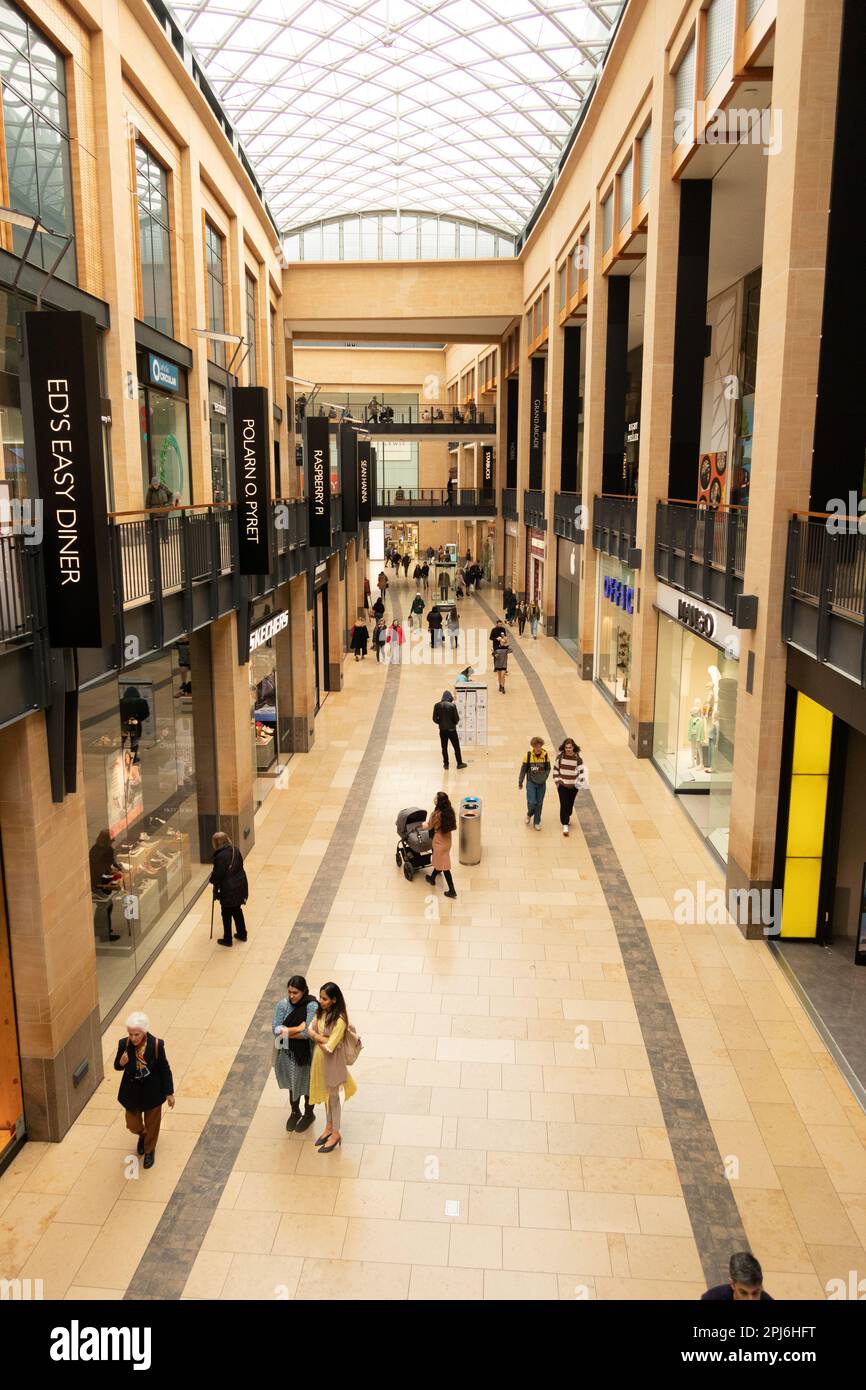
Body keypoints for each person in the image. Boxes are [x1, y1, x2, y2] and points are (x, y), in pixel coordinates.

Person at [114, 1011, 175, 1169]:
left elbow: (164, 1069)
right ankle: (142, 1134)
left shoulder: (156, 1045)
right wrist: (121, 1062)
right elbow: (117, 1066)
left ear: (144, 1032)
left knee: (153, 1123)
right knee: (132, 1123)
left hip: (152, 1092)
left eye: (136, 1034)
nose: (133, 1038)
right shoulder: (124, 1044)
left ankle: (149, 1150)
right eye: (131, 1034)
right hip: (132, 1092)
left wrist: (169, 1092)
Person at [307, 982, 357, 1152]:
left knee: (334, 1098)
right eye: (320, 997)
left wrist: (316, 1037)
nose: (320, 1001)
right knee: (328, 1096)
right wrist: (321, 1037)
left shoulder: (340, 1019)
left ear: (334, 1000)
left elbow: (330, 1047)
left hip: (333, 1062)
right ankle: (329, 1127)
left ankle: (336, 1133)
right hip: (320, 1061)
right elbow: (310, 1028)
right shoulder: (321, 1012)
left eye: (325, 998)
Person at [273, 975, 318, 1133]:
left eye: (296, 992)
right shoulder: (283, 1005)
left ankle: (309, 1114)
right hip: (287, 1052)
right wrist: (297, 1029)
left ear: (304, 991)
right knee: (293, 1082)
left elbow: (307, 1033)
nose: (292, 996)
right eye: (290, 992)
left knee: (307, 1084)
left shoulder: (311, 1005)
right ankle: (295, 1111)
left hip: (306, 1055)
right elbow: (275, 1030)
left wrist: (286, 1032)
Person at [210, 831, 249, 946]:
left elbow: (217, 875)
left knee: (226, 913)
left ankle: (227, 939)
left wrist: (212, 880)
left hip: (228, 889)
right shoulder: (235, 850)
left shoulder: (220, 857)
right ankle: (242, 933)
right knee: (237, 910)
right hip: (240, 884)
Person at [90, 829, 122, 942]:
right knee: (104, 906)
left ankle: (100, 930)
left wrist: (117, 868)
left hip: (100, 882)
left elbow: (111, 862)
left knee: (106, 906)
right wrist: (112, 874)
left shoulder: (100, 849)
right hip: (98, 884)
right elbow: (100, 870)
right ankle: (104, 934)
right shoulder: (99, 852)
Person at [424, 792, 458, 898]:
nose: (434, 799)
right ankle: (432, 878)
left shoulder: (436, 814)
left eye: (436, 798)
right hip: (447, 840)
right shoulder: (450, 811)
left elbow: (429, 826)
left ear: (439, 801)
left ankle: (452, 890)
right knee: (440, 860)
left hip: (439, 841)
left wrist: (422, 825)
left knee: (445, 867)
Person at [702, 1252, 773, 1301]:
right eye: (743, 1293)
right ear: (732, 1284)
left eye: (755, 1293)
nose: (750, 1299)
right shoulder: (712, 1297)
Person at [519, 737, 551, 831]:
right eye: (536, 746)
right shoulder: (528, 756)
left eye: (539, 746)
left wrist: (545, 776)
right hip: (531, 783)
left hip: (542, 784)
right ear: (533, 746)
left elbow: (548, 768)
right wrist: (520, 781)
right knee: (533, 802)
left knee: (539, 803)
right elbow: (523, 770)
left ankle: (537, 822)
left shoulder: (545, 756)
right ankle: (529, 814)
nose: (538, 748)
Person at [553, 738, 583, 837]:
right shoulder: (560, 757)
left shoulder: (578, 759)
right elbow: (555, 770)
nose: (568, 749)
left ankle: (567, 815)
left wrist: (578, 783)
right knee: (564, 803)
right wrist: (558, 782)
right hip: (562, 785)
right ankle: (565, 824)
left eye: (570, 747)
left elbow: (581, 773)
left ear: (573, 747)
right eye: (566, 748)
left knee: (570, 805)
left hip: (573, 786)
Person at [432, 690, 466, 770]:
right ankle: (459, 763)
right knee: (456, 747)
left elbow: (434, 718)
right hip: (452, 730)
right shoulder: (452, 706)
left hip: (442, 730)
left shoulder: (437, 705)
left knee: (444, 747)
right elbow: (456, 719)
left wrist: (440, 723)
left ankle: (446, 764)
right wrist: (453, 724)